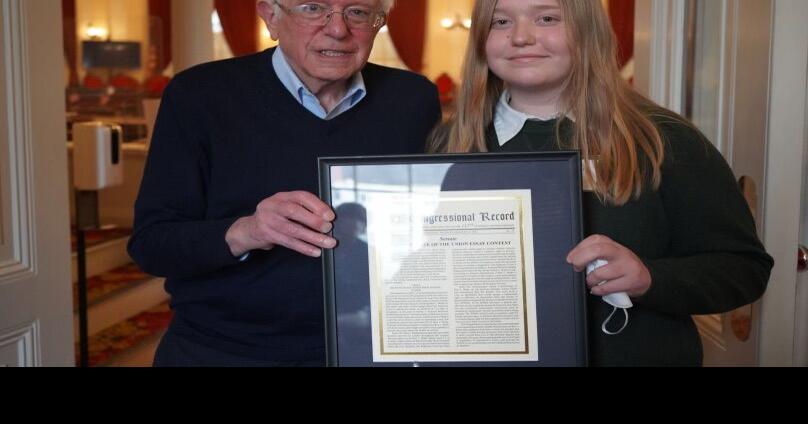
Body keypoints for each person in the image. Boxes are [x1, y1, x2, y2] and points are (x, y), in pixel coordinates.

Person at [428, 0, 773, 366]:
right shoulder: (451, 145)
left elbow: (745, 269)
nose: (521, 37)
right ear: (481, 38)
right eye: (501, 21)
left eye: (547, 18)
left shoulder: (662, 140)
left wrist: (649, 278)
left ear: (587, 30)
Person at [128, 0, 441, 366]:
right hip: (225, 350)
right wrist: (248, 231)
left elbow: (430, 226)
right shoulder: (199, 95)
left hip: (372, 348)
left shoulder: (412, 99)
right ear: (270, 16)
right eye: (313, 8)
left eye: (358, 11)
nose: (338, 29)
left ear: (379, 23)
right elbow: (151, 245)